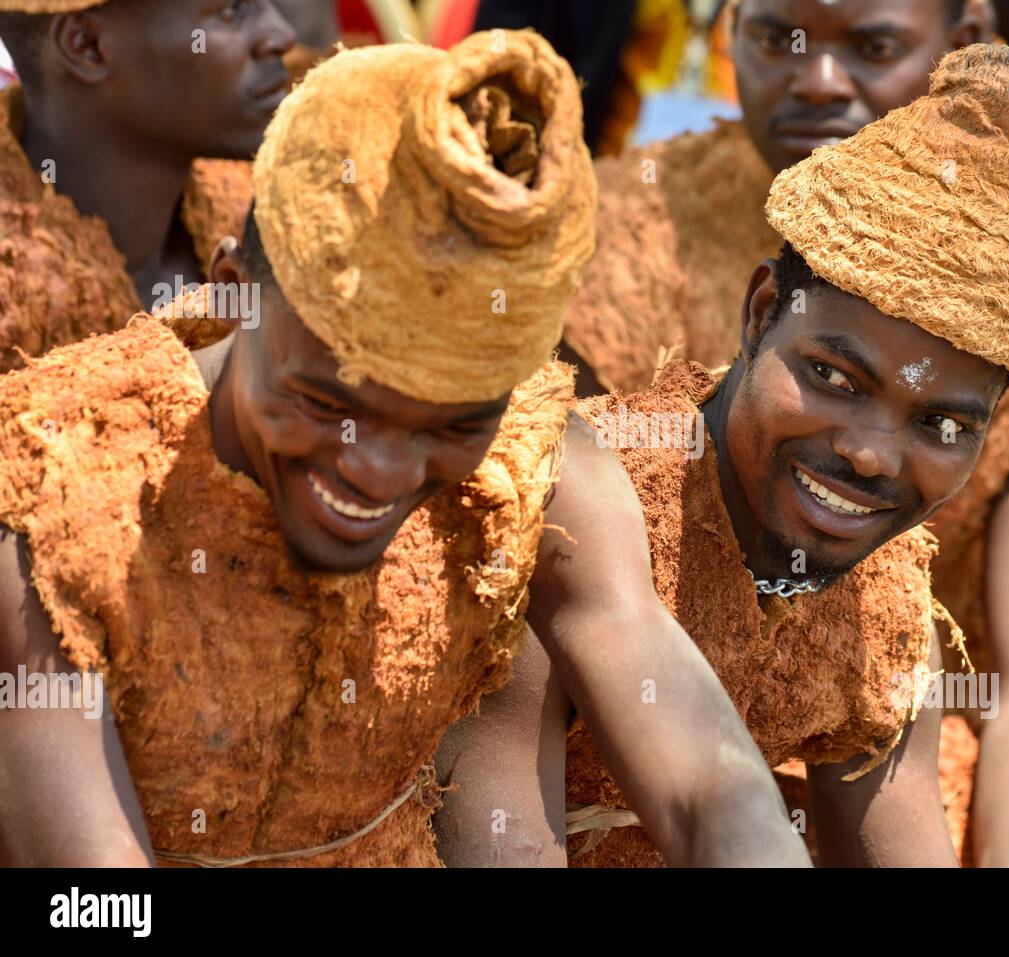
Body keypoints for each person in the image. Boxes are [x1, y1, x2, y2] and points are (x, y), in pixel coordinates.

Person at [0, 30, 810, 869]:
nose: (376, 469)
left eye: (450, 423)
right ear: (236, 292)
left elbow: (711, 791)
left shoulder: (532, 468)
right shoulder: (58, 496)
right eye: (323, 401)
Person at [433, 41, 1009, 867]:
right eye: (833, 377)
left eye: (942, 424)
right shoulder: (564, 511)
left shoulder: (887, 613)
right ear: (761, 313)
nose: (870, 455)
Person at [0, 0, 292, 370]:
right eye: (232, 11)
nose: (282, 35)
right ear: (87, 44)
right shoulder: (13, 307)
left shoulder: (268, 218)